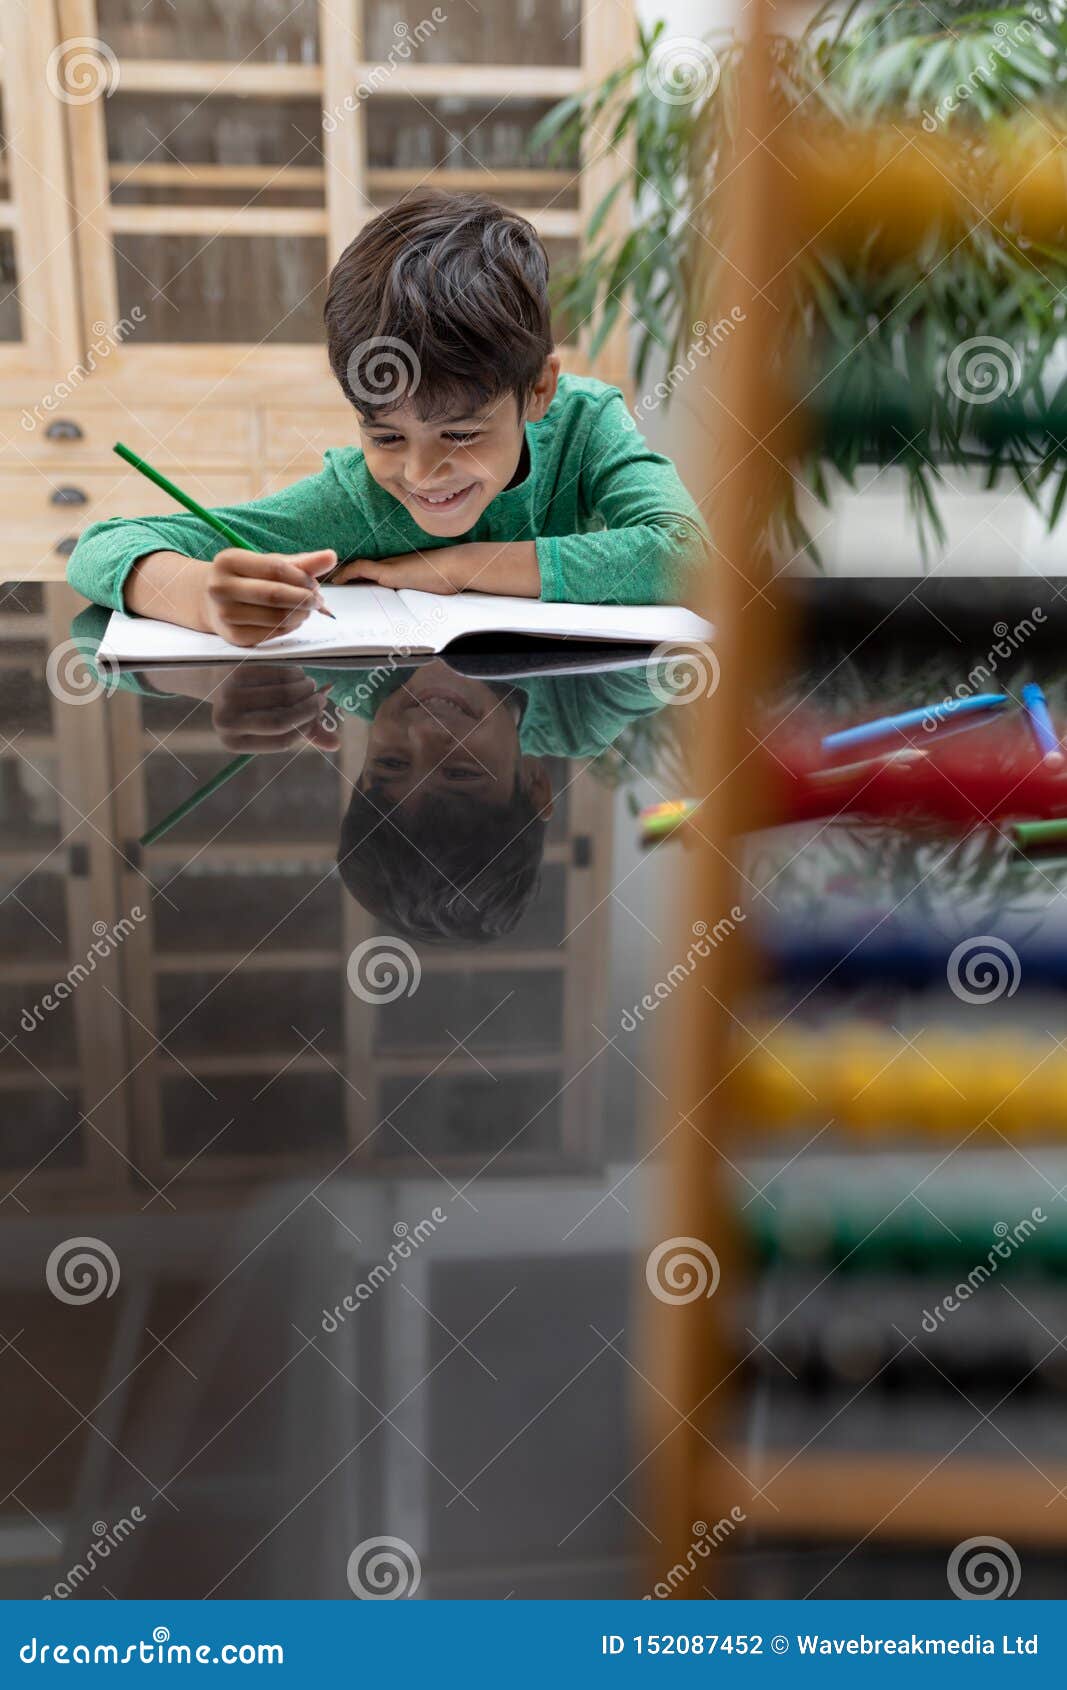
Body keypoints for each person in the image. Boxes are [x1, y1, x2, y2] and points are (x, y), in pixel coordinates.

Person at [66, 189, 709, 633]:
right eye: (386, 436)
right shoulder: (358, 503)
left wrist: (455, 569)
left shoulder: (585, 425)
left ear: (538, 392)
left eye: (459, 433)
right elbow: (101, 549)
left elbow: (687, 557)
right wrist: (199, 597)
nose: (424, 474)